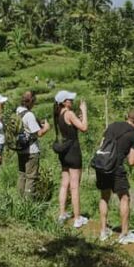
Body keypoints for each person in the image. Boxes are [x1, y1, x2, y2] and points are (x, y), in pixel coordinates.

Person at [97, 108, 134, 244]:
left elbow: (101, 145)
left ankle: (103, 231)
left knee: (104, 196)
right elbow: (132, 160)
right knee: (124, 198)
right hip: (116, 167)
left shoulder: (112, 125)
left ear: (126, 116)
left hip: (102, 164)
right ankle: (124, 234)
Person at [54, 90, 89, 228]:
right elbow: (84, 128)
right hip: (73, 152)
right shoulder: (69, 113)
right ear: (64, 102)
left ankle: (62, 213)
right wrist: (84, 112)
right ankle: (77, 218)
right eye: (70, 100)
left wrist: (78, 119)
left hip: (64, 153)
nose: (72, 101)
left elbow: (72, 127)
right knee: (74, 187)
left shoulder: (59, 114)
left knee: (64, 184)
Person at [16, 91, 51, 199]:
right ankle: (28, 203)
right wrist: (46, 128)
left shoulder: (18, 110)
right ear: (31, 101)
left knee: (22, 175)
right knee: (31, 177)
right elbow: (39, 133)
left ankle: (20, 200)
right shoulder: (29, 115)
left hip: (20, 148)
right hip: (31, 150)